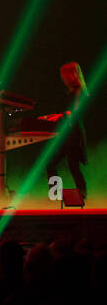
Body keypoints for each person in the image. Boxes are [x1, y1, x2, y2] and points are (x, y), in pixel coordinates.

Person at [38, 61, 89, 201]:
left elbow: (74, 112)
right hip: (65, 134)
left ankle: (82, 193)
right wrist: (50, 117)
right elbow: (64, 112)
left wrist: (57, 116)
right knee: (51, 163)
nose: (63, 79)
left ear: (72, 75)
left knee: (73, 165)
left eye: (65, 75)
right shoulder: (69, 93)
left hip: (74, 133)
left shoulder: (81, 92)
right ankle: (55, 193)